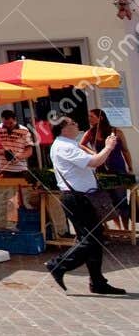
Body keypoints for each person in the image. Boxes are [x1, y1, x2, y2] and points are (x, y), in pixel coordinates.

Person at [47, 116, 126, 295]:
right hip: (77, 198)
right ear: (63, 128)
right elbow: (95, 162)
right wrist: (109, 147)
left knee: (95, 239)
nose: (77, 125)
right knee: (91, 239)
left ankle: (97, 282)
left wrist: (101, 149)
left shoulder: (70, 144)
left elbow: (93, 161)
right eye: (73, 123)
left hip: (82, 196)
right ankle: (58, 264)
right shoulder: (65, 147)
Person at [83, 109, 132, 231]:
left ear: (101, 118)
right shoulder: (90, 133)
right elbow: (81, 144)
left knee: (122, 200)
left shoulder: (116, 132)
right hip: (102, 170)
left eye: (92, 116)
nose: (89, 119)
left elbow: (125, 150)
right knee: (108, 201)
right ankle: (118, 228)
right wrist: (93, 152)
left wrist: (130, 166)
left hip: (118, 169)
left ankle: (126, 229)